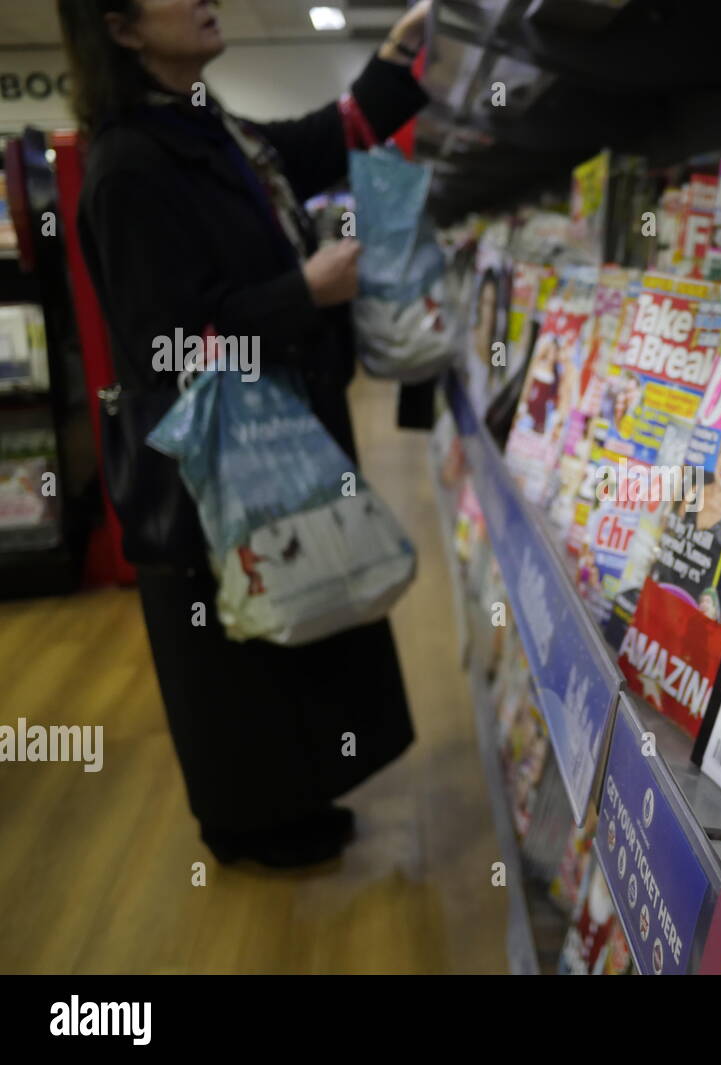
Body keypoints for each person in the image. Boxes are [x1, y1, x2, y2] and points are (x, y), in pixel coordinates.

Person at [61, 0, 434, 867]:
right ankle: (247, 826)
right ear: (120, 30)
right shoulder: (128, 163)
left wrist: (393, 55)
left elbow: (314, 141)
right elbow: (166, 344)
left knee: (282, 629)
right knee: (233, 657)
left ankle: (293, 803)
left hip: (262, 436)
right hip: (209, 462)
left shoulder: (199, 123)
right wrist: (302, 293)